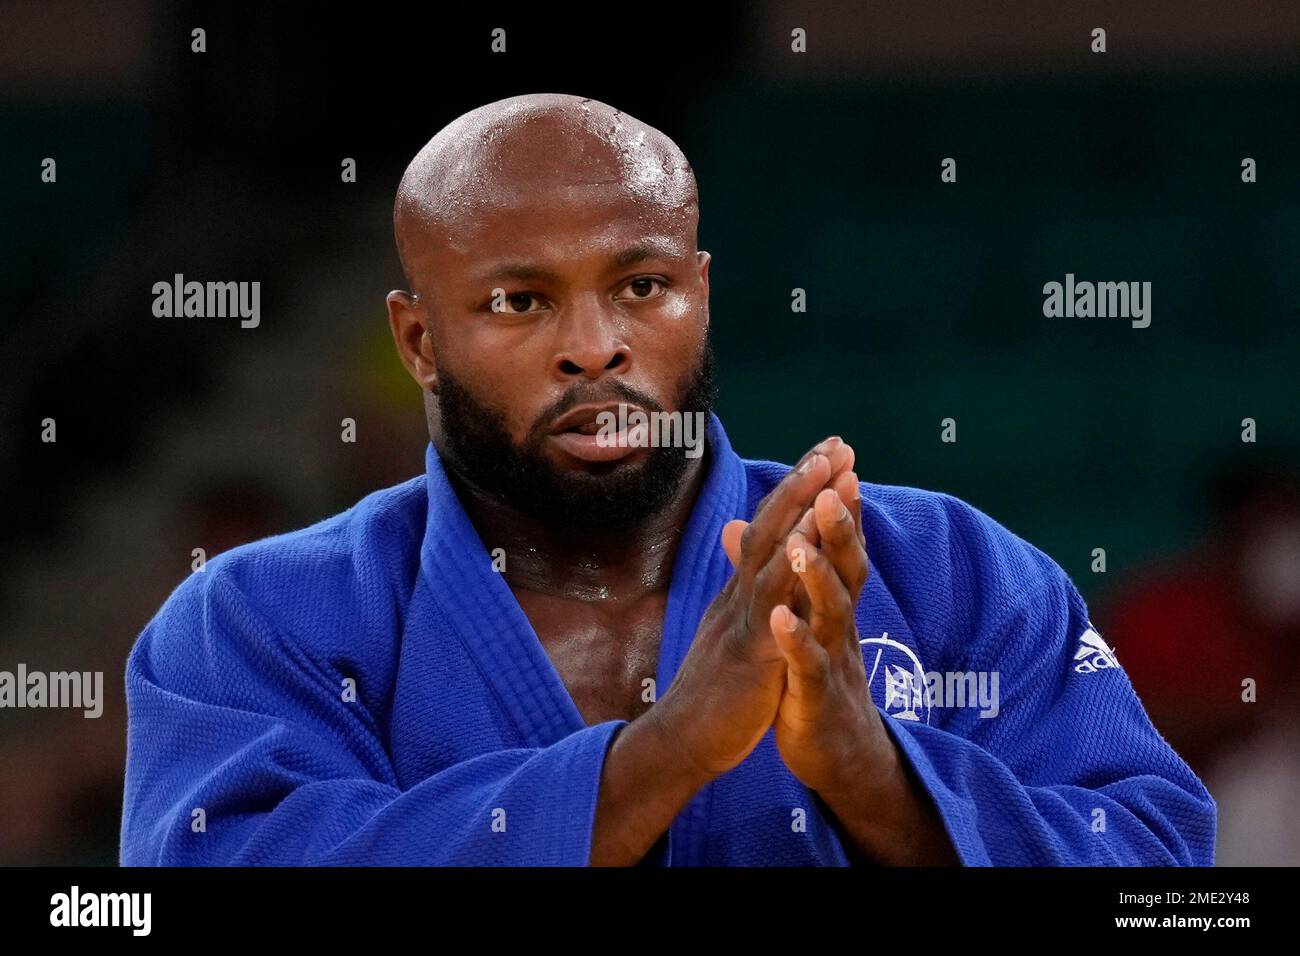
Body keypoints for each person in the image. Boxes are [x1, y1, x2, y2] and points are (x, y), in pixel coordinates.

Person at [120, 93, 1215, 866]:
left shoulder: (951, 573)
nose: (593, 345)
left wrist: (876, 776)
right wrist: (661, 756)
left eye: (640, 284)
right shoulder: (256, 622)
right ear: (417, 339)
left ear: (699, 290)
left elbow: (1162, 877)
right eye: (519, 301)